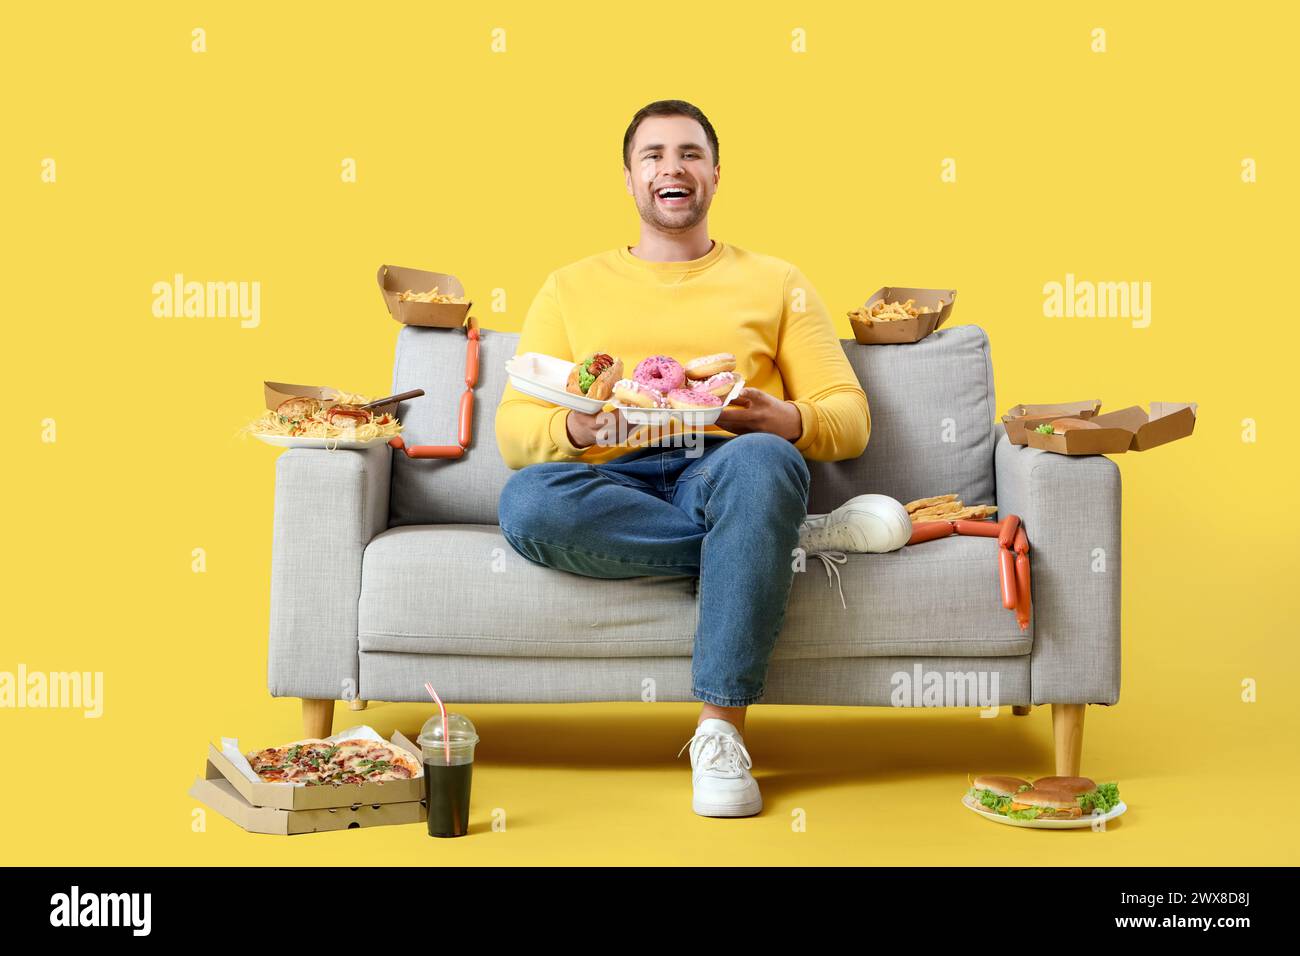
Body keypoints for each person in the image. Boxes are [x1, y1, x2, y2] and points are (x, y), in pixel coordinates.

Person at [495, 99, 876, 818]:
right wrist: (576, 429)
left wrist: (784, 417)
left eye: (690, 154)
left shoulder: (777, 281)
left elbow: (850, 419)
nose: (673, 167)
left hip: (724, 467)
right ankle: (765, 544)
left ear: (716, 175)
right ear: (630, 179)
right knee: (527, 504)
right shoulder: (569, 286)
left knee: (761, 463)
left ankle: (720, 732)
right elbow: (515, 432)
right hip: (609, 476)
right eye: (654, 155)